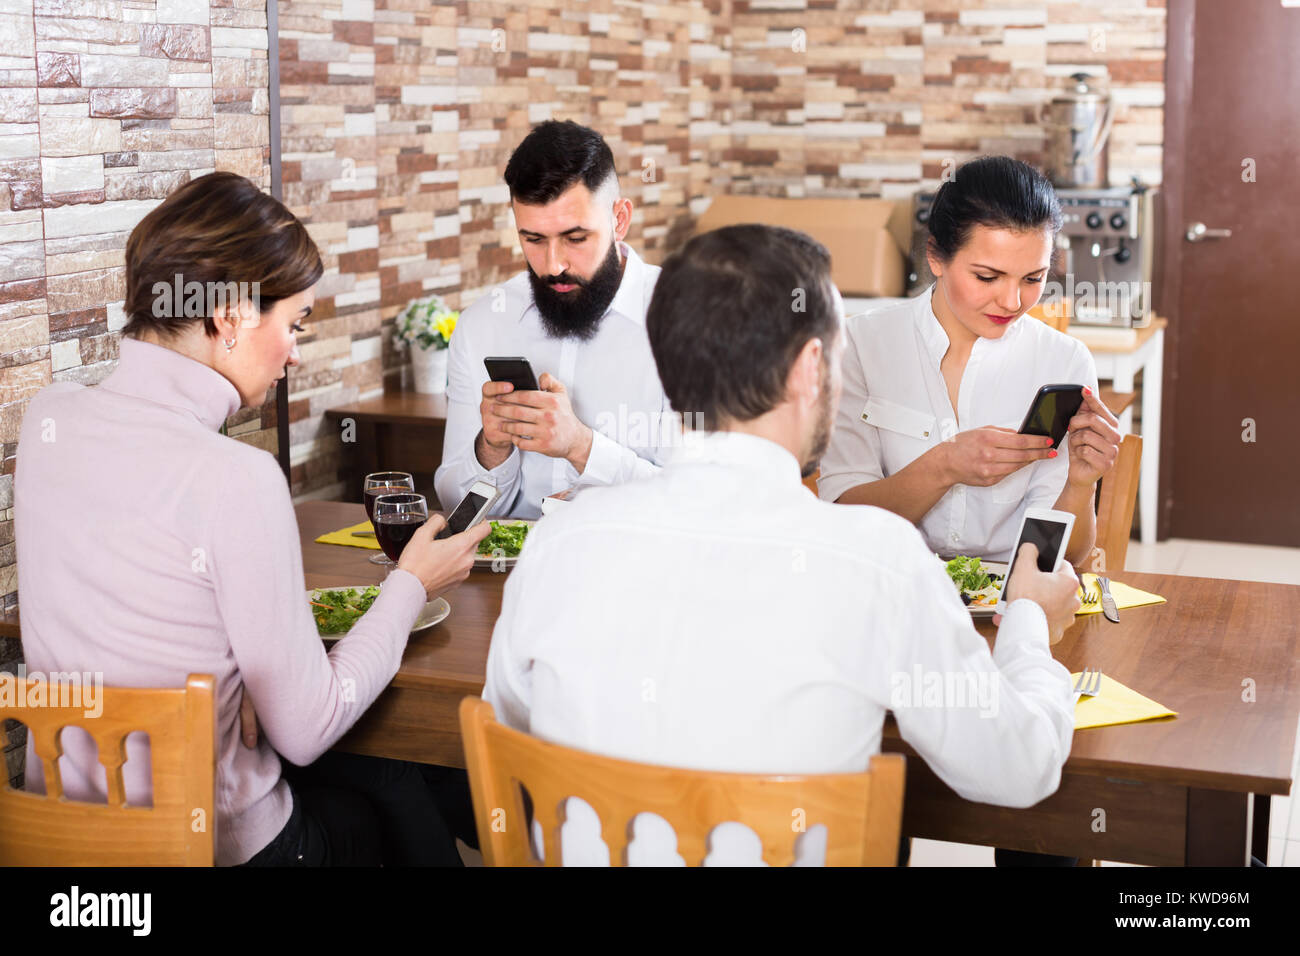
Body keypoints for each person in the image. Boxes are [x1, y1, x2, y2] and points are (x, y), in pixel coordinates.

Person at [482, 224, 1081, 866]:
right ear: (811, 368)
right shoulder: (877, 562)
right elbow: (1021, 769)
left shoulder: (560, 544)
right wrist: (1027, 621)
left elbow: (509, 728)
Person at [14, 172, 490, 866]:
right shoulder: (236, 477)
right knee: (395, 782)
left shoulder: (48, 419)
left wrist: (239, 680)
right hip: (214, 847)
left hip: (62, 843)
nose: (295, 352)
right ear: (231, 316)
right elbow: (308, 728)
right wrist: (411, 583)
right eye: (293, 322)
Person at [818, 156, 1121, 569]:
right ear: (936, 257)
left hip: (1013, 601)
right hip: (890, 589)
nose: (1013, 302)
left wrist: (1080, 486)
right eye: (987, 277)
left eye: (1033, 279)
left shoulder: (1063, 361)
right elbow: (843, 523)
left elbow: (1060, 559)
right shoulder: (862, 344)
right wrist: (944, 465)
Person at [434, 120, 670, 519]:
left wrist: (581, 447)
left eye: (575, 239)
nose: (553, 264)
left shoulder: (688, 323)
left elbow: (703, 504)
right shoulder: (481, 326)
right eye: (534, 239)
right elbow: (459, 510)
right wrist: (491, 449)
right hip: (512, 577)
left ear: (620, 219)